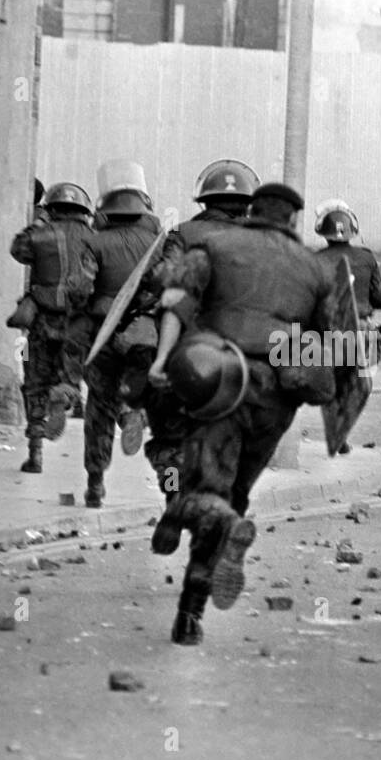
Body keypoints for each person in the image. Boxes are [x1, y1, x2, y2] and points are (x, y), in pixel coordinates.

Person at [147, 183, 337, 646]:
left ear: (254, 211)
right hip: (277, 397)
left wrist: (161, 359)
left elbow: (176, 296)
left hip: (218, 378)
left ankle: (198, 525)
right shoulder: (315, 269)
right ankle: (191, 611)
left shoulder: (214, 244)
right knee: (236, 492)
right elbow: (327, 340)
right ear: (292, 220)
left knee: (205, 489)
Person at [142, 158, 260, 522]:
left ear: (204, 201)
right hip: (238, 361)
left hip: (186, 358)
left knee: (170, 444)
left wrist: (160, 362)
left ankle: (173, 498)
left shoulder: (182, 236)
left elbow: (166, 287)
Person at [80, 160, 161, 508]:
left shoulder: (95, 243)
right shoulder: (158, 243)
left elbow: (80, 289)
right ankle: (132, 412)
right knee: (140, 388)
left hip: (103, 334)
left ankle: (96, 483)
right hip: (143, 333)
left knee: (99, 404)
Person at [8, 182, 97, 474]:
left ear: (52, 209)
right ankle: (67, 393)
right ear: (84, 211)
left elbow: (17, 249)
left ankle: (35, 451)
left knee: (34, 379)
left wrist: (40, 222)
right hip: (78, 324)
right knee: (71, 374)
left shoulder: (38, 235)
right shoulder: (94, 238)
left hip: (42, 322)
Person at [312, 198, 381, 452]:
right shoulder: (366, 258)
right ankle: (342, 432)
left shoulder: (316, 261)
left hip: (330, 332)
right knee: (360, 384)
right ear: (352, 230)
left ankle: (337, 434)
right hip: (363, 331)